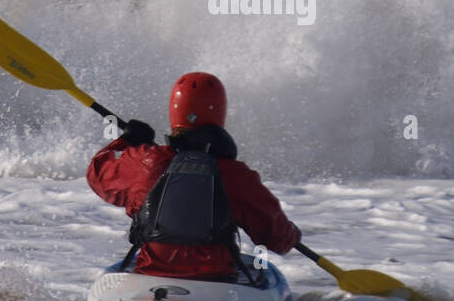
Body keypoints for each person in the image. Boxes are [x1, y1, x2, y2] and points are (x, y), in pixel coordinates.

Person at [86, 72, 300, 281]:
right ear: (219, 112)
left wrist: (128, 142)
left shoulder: (144, 161)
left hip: (150, 276)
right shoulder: (236, 174)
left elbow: (97, 174)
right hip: (215, 282)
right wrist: (292, 235)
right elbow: (277, 239)